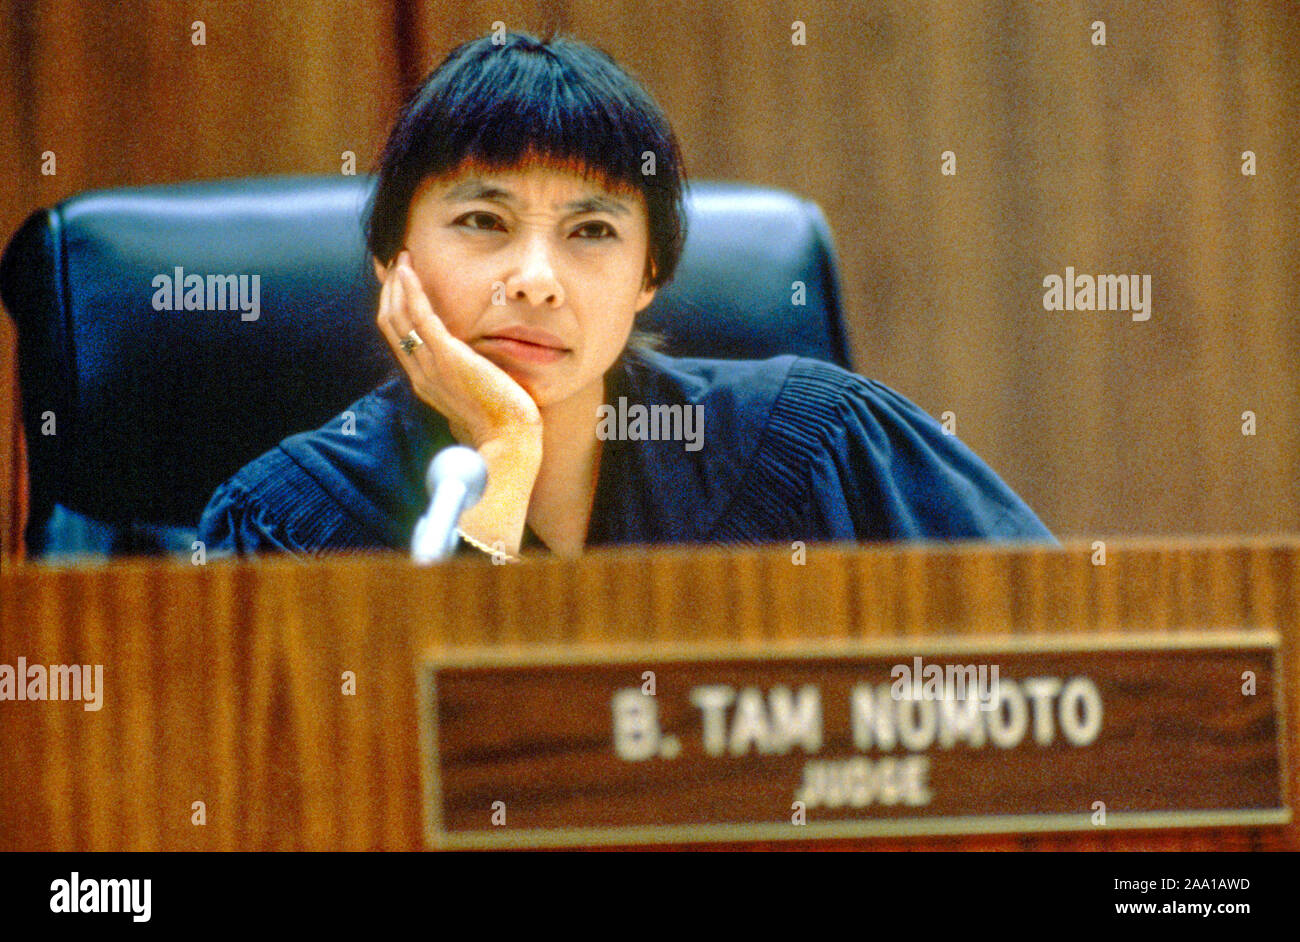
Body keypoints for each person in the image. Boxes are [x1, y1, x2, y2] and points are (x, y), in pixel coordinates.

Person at [197, 30, 1053, 561]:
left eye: (592, 232)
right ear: (392, 259)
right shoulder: (282, 526)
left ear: (650, 278)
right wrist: (505, 454)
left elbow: (1065, 660)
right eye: (484, 220)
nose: (535, 276)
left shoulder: (819, 446)